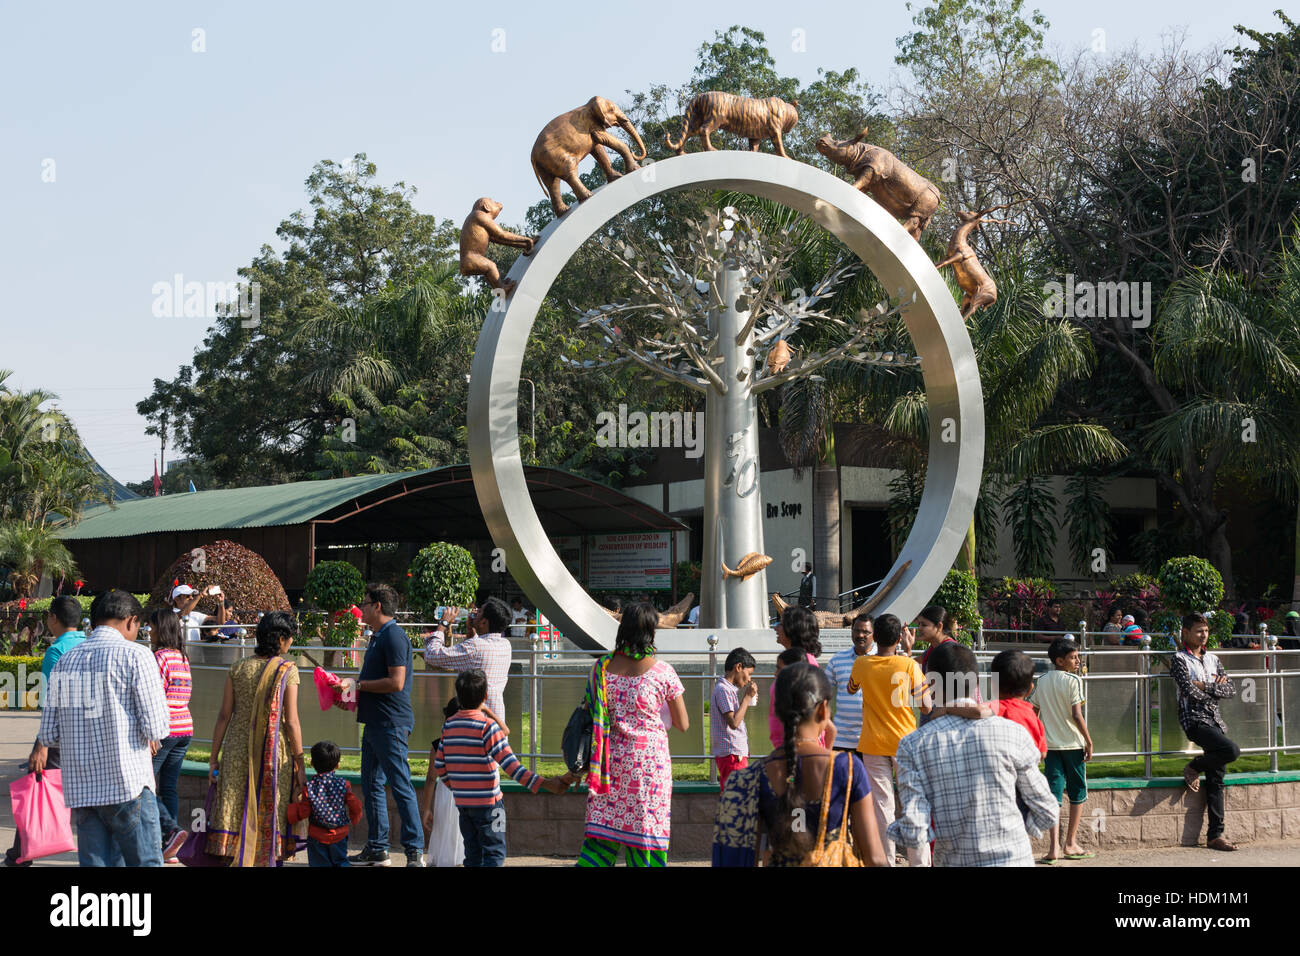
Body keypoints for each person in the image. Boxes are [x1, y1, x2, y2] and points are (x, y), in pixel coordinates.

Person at [889, 642, 1059, 867]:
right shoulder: (1013, 734)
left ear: (930, 682)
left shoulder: (912, 746)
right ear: (977, 681)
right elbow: (1047, 810)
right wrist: (1014, 826)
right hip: (1014, 858)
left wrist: (889, 830)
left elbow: (915, 830)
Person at [33, 590, 170, 867]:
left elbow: (49, 734)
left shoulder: (65, 661)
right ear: (131, 621)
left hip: (83, 790)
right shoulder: (138, 656)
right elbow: (156, 726)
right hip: (127, 784)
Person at [712, 663, 887, 867]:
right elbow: (874, 858)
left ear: (778, 713)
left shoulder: (749, 779)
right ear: (823, 710)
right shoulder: (847, 768)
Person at [578, 602, 688, 866]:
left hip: (608, 768)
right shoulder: (663, 673)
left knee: (600, 843)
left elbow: (588, 713)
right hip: (649, 771)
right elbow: (683, 724)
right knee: (645, 841)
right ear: (652, 631)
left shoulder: (601, 669)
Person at [436, 670, 571, 866]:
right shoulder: (487, 727)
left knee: (472, 855)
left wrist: (459, 788)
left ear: (458, 695)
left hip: (463, 805)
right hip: (490, 805)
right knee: (494, 854)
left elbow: (440, 765)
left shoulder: (448, 726)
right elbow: (512, 767)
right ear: (485, 697)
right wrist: (546, 783)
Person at [208, 611, 307, 866]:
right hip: (273, 754)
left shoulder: (239, 667)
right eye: (291, 638)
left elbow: (223, 716)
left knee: (234, 807)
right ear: (282, 639)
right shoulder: (287, 670)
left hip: (237, 750)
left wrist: (213, 760)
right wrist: (300, 762)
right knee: (269, 808)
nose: (291, 643)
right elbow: (292, 721)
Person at [344, 584, 425, 867]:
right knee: (372, 784)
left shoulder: (394, 637)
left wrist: (359, 685)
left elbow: (396, 682)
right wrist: (353, 692)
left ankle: (414, 851)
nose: (361, 608)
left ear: (378, 606)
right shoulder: (379, 637)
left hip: (391, 724)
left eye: (365, 603)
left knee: (400, 785)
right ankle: (378, 847)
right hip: (376, 722)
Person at [4, 596, 85, 867]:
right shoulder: (89, 644)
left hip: (60, 737)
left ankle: (20, 855)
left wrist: (42, 743)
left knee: (35, 792)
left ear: (53, 618)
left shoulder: (56, 651)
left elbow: (54, 699)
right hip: (90, 735)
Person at [846, 613, 931, 866]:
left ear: (874, 637)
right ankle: (920, 862)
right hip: (905, 744)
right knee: (912, 804)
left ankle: (886, 862)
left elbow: (851, 689)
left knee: (882, 808)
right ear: (898, 637)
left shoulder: (861, 664)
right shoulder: (909, 666)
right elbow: (925, 706)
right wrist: (908, 652)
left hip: (872, 743)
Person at [1169, 612, 1240, 851]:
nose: (1203, 635)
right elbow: (1189, 692)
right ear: (1186, 632)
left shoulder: (1214, 660)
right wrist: (1212, 690)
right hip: (1194, 720)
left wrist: (1205, 686)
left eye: (1206, 631)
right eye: (1199, 631)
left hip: (1215, 721)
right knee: (1231, 750)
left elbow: (1230, 690)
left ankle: (1215, 835)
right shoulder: (1179, 659)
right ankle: (1195, 765)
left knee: (1217, 778)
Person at [1030, 636, 1094, 861]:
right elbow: (1077, 715)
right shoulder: (1073, 681)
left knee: (1053, 796)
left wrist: (1037, 737)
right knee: (1078, 793)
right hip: (1073, 745)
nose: (1077, 661)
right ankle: (1070, 843)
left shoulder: (1042, 680)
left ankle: (1053, 848)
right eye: (1073, 657)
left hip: (1051, 747)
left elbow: (1034, 711)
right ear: (1060, 660)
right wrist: (1088, 740)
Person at [425, 596, 514, 731]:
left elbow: (432, 655)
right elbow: (476, 654)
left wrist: (443, 624)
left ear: (484, 622)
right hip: (496, 721)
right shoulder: (505, 645)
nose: (474, 612)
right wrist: (470, 630)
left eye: (479, 612)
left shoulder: (475, 647)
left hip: (473, 724)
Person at [148, 609, 193, 862]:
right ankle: (172, 846)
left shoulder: (158, 658)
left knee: (144, 786)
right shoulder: (182, 657)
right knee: (169, 787)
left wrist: (151, 733)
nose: (149, 631)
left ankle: (169, 833)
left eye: (152, 627)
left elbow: (154, 698)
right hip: (184, 728)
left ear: (161, 629)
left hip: (164, 730)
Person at [287, 740, 363, 867]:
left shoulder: (309, 788)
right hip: (340, 833)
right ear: (338, 765)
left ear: (311, 763)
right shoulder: (344, 785)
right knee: (341, 861)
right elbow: (355, 805)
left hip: (317, 835)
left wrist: (295, 800)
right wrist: (355, 817)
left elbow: (303, 812)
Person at [419, 697, 467, 867]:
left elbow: (431, 778)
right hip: (469, 793)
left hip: (445, 793)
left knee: (445, 835)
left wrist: (426, 808)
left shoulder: (439, 745)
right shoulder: (474, 742)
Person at [771, 605, 828, 748]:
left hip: (800, 750)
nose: (775, 628)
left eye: (781, 624)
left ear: (793, 629)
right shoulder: (794, 661)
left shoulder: (804, 665)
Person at [823, 614, 874, 752]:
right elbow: (822, 691)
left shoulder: (882, 660)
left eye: (866, 632)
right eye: (857, 631)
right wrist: (827, 720)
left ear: (874, 635)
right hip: (841, 739)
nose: (861, 635)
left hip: (872, 739)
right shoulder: (837, 659)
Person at [711, 648, 757, 787]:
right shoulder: (723, 690)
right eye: (748, 674)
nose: (749, 679)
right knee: (737, 796)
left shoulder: (727, 689)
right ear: (738, 667)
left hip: (732, 754)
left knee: (732, 795)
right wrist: (747, 698)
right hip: (732, 755)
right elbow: (733, 722)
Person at [989, 650, 1046, 757]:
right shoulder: (1033, 718)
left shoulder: (989, 710)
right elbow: (1042, 753)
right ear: (1030, 689)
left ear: (993, 685)